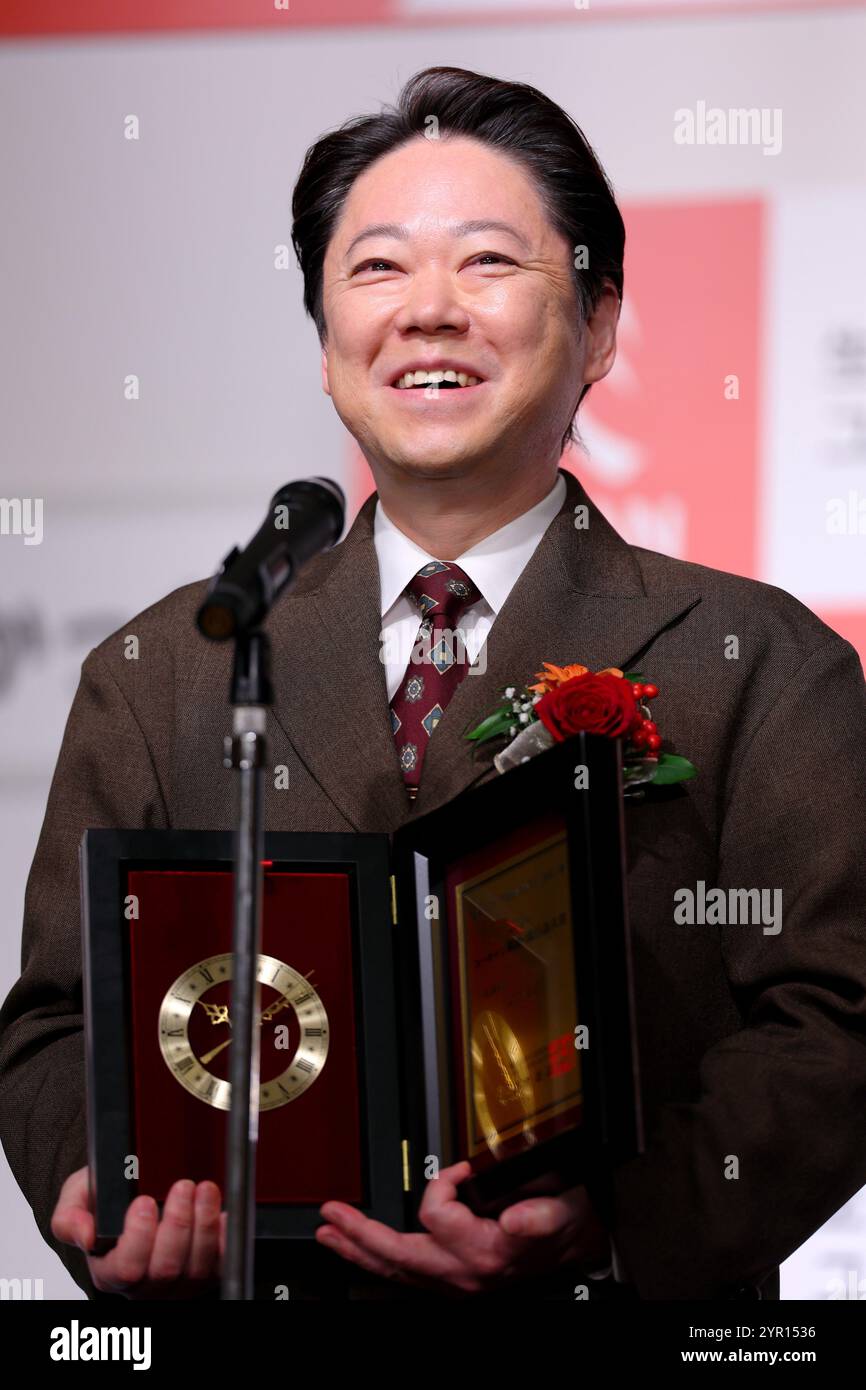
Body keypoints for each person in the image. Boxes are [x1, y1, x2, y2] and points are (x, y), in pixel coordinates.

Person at [1, 65, 865, 1303]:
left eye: (488, 263)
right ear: (324, 342)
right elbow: (53, 1022)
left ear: (600, 321)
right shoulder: (172, 671)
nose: (427, 311)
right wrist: (97, 1187)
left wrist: (614, 1234)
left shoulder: (759, 659)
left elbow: (834, 1014)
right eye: (375, 268)